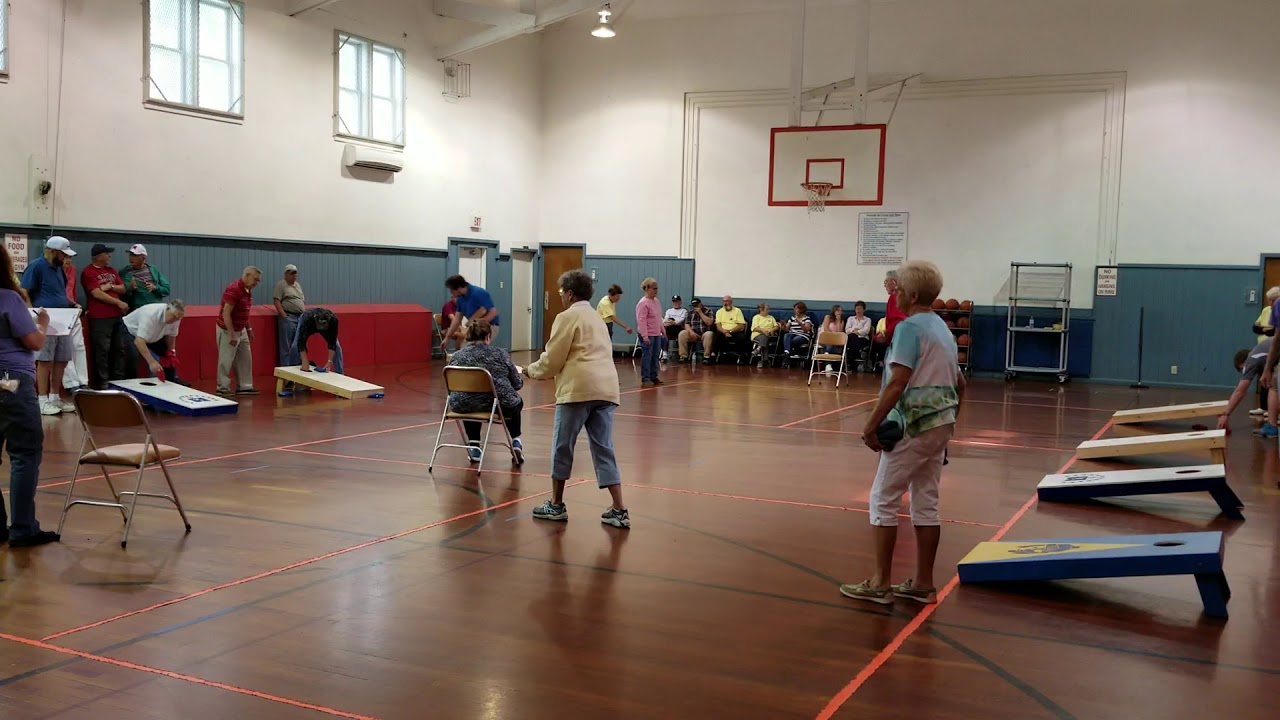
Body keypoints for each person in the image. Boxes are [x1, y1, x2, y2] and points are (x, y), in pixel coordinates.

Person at [842, 260, 964, 605]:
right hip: (939, 425)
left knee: (882, 499)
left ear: (910, 294)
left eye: (897, 289)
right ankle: (923, 583)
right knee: (926, 503)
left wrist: (870, 425)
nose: (894, 294)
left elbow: (898, 382)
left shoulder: (909, 329)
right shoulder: (943, 329)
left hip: (912, 425)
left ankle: (880, 582)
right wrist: (949, 424)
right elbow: (960, 383)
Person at [524, 269, 630, 528]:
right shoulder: (596, 317)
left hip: (577, 390)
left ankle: (556, 505)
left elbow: (553, 358)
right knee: (604, 447)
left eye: (561, 292)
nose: (560, 296)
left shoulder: (567, 316)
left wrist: (530, 370)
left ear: (570, 294)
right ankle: (619, 509)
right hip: (606, 389)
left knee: (563, 445)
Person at [0, 245, 61, 547]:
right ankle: (23, 528)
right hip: (9, 380)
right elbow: (34, 341)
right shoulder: (8, 298)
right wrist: (43, 324)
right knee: (24, 453)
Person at [447, 319, 524, 464]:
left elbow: (451, 387)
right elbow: (517, 384)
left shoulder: (457, 357)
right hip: (496, 404)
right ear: (488, 336)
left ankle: (474, 446)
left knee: (469, 398)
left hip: (463, 405)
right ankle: (515, 441)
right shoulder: (500, 354)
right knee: (515, 402)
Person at [20, 237, 79, 414]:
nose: (66, 259)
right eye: (63, 254)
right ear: (53, 251)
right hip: (46, 320)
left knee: (62, 359)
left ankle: (55, 397)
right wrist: (33, 314)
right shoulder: (36, 266)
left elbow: (59, 294)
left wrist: (72, 304)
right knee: (45, 360)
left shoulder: (59, 269)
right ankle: (42, 400)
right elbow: (24, 291)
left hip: (63, 320)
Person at [81, 243, 131, 389]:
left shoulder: (112, 270)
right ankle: (103, 382)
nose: (109, 256)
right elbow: (96, 293)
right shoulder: (88, 272)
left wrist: (110, 286)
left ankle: (118, 380)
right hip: (100, 317)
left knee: (119, 349)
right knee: (102, 350)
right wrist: (117, 302)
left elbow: (123, 288)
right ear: (98, 257)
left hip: (116, 316)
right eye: (106, 254)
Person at [216, 266, 262, 396]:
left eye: (258, 281)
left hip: (241, 329)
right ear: (247, 275)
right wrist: (231, 334)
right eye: (255, 280)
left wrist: (249, 329)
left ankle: (245, 386)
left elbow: (244, 312)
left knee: (245, 358)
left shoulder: (247, 290)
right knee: (226, 360)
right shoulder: (234, 289)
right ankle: (222, 388)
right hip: (227, 329)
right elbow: (226, 313)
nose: (256, 283)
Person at [123, 300, 186, 384]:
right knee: (132, 358)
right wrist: (151, 362)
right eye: (173, 317)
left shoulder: (176, 317)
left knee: (168, 357)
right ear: (167, 309)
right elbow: (139, 341)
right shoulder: (150, 314)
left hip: (154, 334)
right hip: (130, 331)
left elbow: (171, 336)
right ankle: (130, 384)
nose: (174, 320)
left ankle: (171, 381)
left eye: (178, 319)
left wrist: (172, 352)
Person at [1221, 339, 1273, 433]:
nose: (1245, 372)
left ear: (1244, 362)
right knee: (1269, 381)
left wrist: (1226, 414)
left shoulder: (1252, 360)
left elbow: (1240, 391)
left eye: (1242, 369)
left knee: (1275, 386)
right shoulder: (1260, 352)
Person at [445, 275, 500, 343]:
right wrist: (447, 338)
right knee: (464, 346)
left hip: (489, 325)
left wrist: (476, 325)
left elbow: (493, 313)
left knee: (476, 347)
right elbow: (456, 320)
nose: (450, 292)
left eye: (451, 290)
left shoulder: (479, 293)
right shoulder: (460, 299)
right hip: (473, 326)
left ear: (458, 288)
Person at [119, 244, 171, 311]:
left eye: (135, 255)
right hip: (139, 309)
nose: (131, 258)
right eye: (130, 255)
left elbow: (166, 289)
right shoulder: (125, 272)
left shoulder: (153, 270)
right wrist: (130, 288)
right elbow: (122, 295)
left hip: (156, 307)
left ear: (143, 257)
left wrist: (156, 288)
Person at [293, 307, 345, 375]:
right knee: (294, 347)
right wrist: (304, 360)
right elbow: (301, 340)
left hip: (325, 326)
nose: (322, 327)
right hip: (310, 325)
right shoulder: (307, 319)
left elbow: (332, 343)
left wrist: (329, 361)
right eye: (321, 324)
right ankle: (294, 372)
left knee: (337, 347)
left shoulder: (333, 320)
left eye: (324, 324)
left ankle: (340, 373)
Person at [273, 264, 305, 366]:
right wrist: (284, 316)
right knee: (286, 346)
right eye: (291, 273)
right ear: (286, 274)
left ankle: (295, 369)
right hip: (288, 317)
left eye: (295, 273)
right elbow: (277, 301)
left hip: (299, 318)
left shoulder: (298, 285)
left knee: (297, 345)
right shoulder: (281, 285)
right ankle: (286, 372)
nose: (294, 276)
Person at [635, 278, 664, 385]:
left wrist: (662, 330)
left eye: (657, 288)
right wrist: (645, 336)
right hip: (648, 334)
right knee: (647, 355)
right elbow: (641, 320)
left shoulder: (656, 301)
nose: (656, 291)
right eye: (654, 288)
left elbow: (658, 318)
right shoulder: (643, 303)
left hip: (656, 333)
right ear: (647, 288)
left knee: (655, 355)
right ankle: (645, 377)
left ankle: (653, 376)